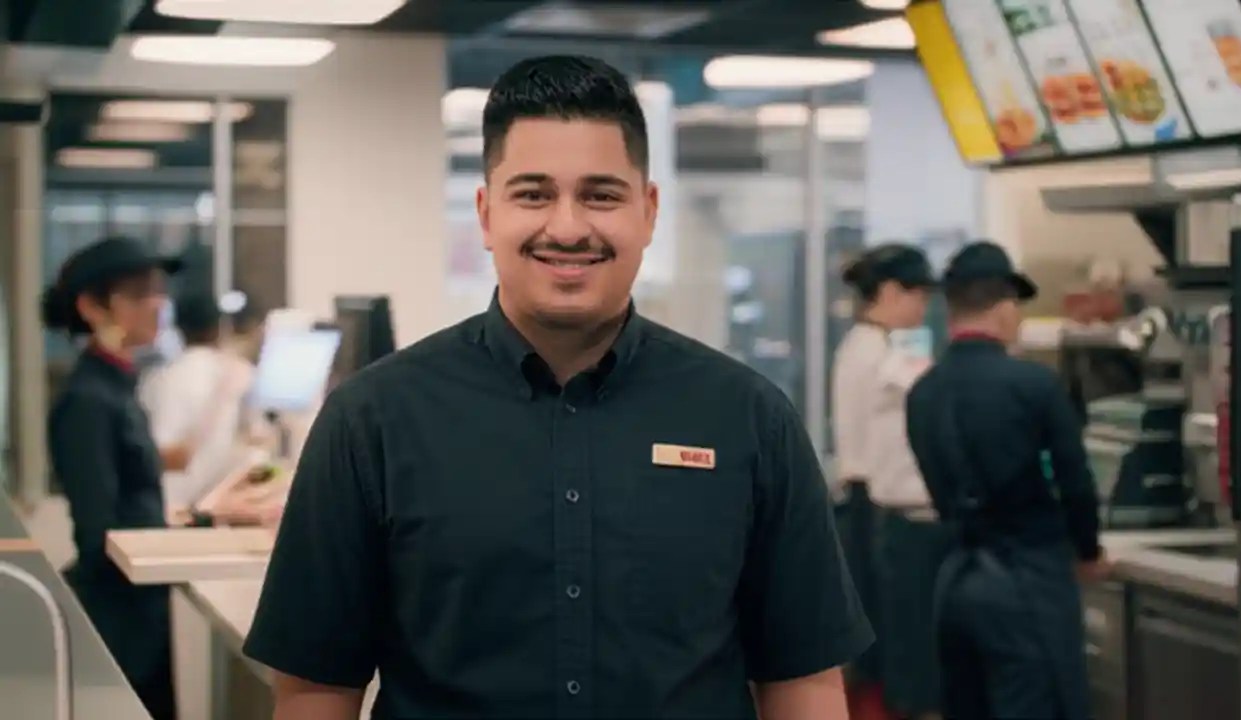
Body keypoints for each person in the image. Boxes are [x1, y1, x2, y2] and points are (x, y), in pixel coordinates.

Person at [243, 55, 871, 719]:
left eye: (601, 194)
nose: (568, 227)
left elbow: (803, 679)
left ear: (648, 211)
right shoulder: (371, 421)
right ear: (486, 214)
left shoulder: (748, 418)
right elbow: (317, 688)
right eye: (533, 194)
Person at [904, 241, 1109, 719]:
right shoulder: (1032, 384)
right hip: (1026, 581)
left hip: (953, 581)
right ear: (1002, 308)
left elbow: (939, 488)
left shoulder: (922, 394)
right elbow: (1075, 480)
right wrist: (1088, 551)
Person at [43, 236, 181, 720]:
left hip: (142, 614)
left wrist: (205, 519)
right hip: (120, 626)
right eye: (139, 293)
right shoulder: (89, 400)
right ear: (91, 306)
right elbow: (100, 537)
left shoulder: (119, 384)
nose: (157, 303)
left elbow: (133, 505)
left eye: (159, 290)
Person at [839, 245, 951, 720]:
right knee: (895, 649)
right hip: (873, 509)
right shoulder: (879, 355)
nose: (923, 309)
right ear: (887, 292)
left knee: (884, 649)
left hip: (864, 505)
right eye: (917, 295)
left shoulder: (865, 346)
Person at [139, 291, 257, 514]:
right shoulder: (238, 372)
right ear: (220, 328)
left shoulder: (159, 377)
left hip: (164, 505)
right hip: (205, 508)